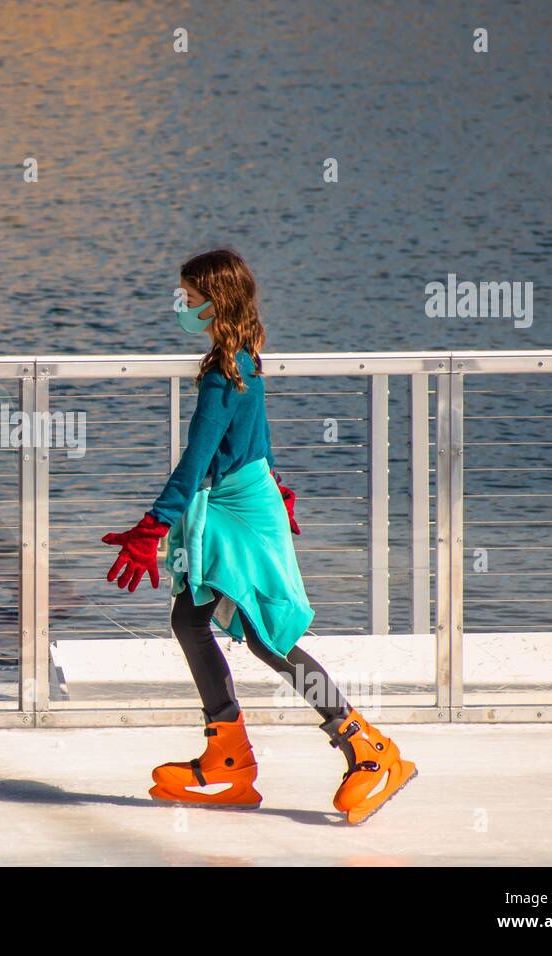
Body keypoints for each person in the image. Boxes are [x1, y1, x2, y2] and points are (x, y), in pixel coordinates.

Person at [101, 248, 416, 824]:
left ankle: (367, 748)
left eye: (190, 300)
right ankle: (228, 757)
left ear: (216, 303)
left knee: (266, 635)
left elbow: (195, 462)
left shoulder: (228, 372)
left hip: (238, 511)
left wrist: (153, 528)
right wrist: (271, 478)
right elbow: (246, 440)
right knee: (189, 618)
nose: (182, 307)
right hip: (238, 503)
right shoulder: (239, 359)